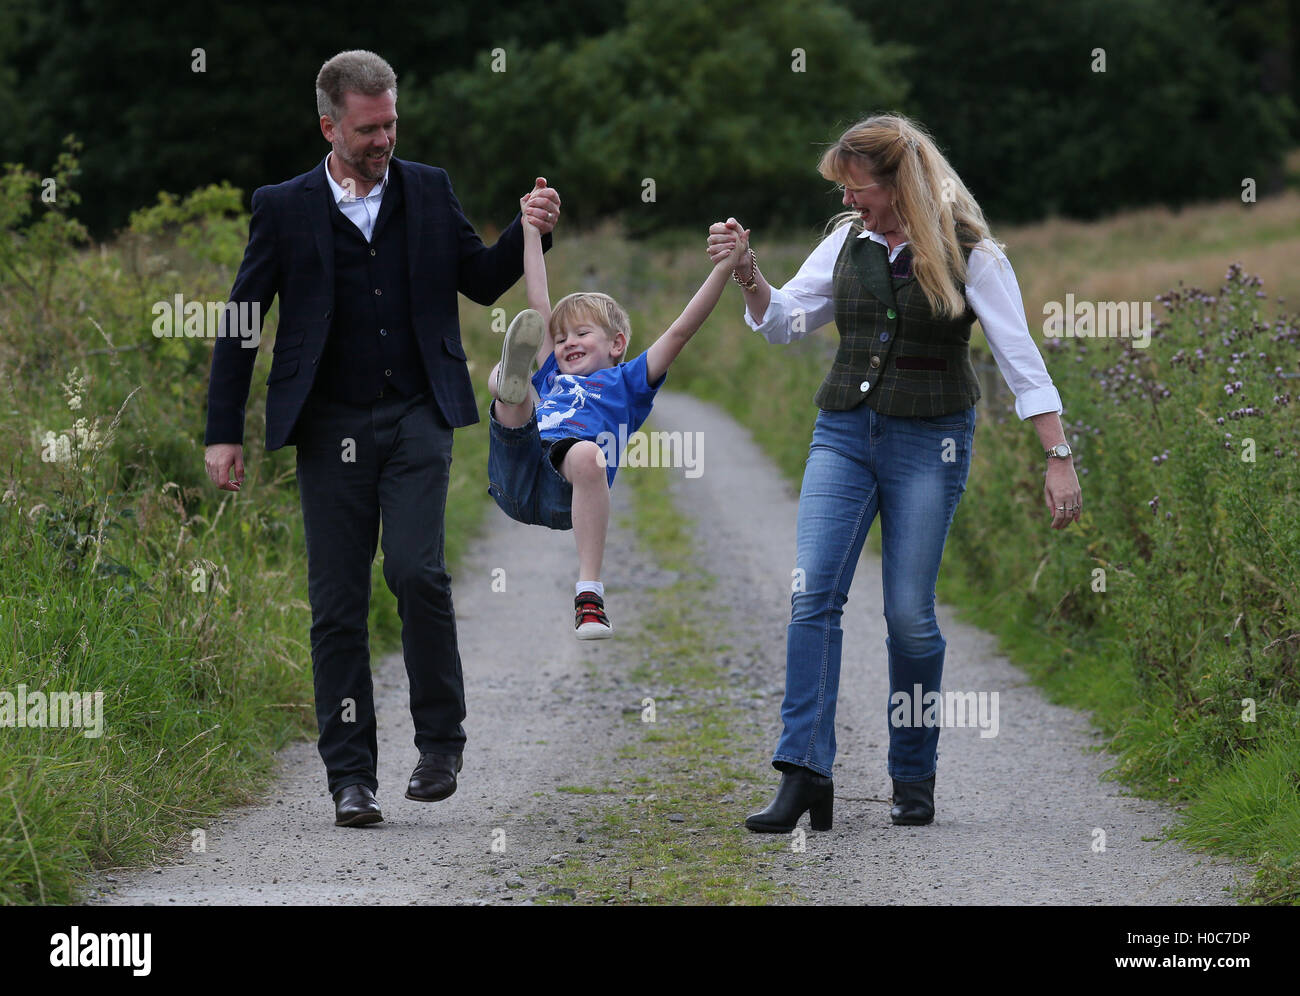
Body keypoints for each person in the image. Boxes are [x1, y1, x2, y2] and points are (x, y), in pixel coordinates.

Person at [202, 50, 562, 828]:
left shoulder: (428, 189)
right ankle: (350, 777)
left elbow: (478, 276)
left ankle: (440, 746)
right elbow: (241, 319)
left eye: (391, 122)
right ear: (329, 125)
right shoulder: (284, 205)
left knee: (416, 572)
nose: (383, 139)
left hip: (417, 414)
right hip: (326, 423)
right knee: (336, 605)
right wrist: (222, 431)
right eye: (368, 129)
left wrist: (530, 232)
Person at [707, 113, 1081, 832]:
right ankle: (804, 771)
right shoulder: (845, 242)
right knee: (812, 591)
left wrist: (1057, 456)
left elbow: (1019, 359)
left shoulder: (974, 253)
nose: (850, 202)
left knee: (908, 614)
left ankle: (913, 774)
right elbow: (784, 322)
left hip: (930, 440)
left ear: (897, 181)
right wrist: (749, 273)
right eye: (844, 190)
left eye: (859, 189)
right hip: (843, 432)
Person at [487, 183, 750, 638]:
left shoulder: (627, 382)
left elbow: (681, 330)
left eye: (581, 334)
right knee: (513, 396)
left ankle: (589, 595)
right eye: (563, 337)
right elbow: (538, 300)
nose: (568, 343)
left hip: (561, 493)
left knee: (587, 454)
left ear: (617, 345)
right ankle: (509, 383)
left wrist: (726, 268)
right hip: (514, 473)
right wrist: (531, 230)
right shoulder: (553, 370)